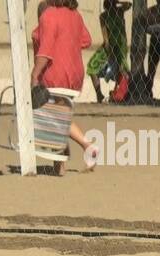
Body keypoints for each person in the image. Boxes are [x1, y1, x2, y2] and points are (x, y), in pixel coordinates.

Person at [31, 0, 97, 174]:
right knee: (59, 116)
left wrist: (34, 75)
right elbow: (86, 40)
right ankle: (60, 164)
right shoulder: (75, 16)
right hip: (75, 74)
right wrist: (67, 43)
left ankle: (84, 147)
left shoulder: (49, 15)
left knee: (55, 118)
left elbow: (45, 51)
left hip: (56, 74)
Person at [87, 1, 132, 103]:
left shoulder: (116, 12)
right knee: (121, 68)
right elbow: (129, 5)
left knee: (120, 69)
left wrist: (117, 2)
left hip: (118, 45)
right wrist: (109, 51)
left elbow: (129, 4)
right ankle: (104, 94)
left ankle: (113, 94)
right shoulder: (116, 12)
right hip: (116, 45)